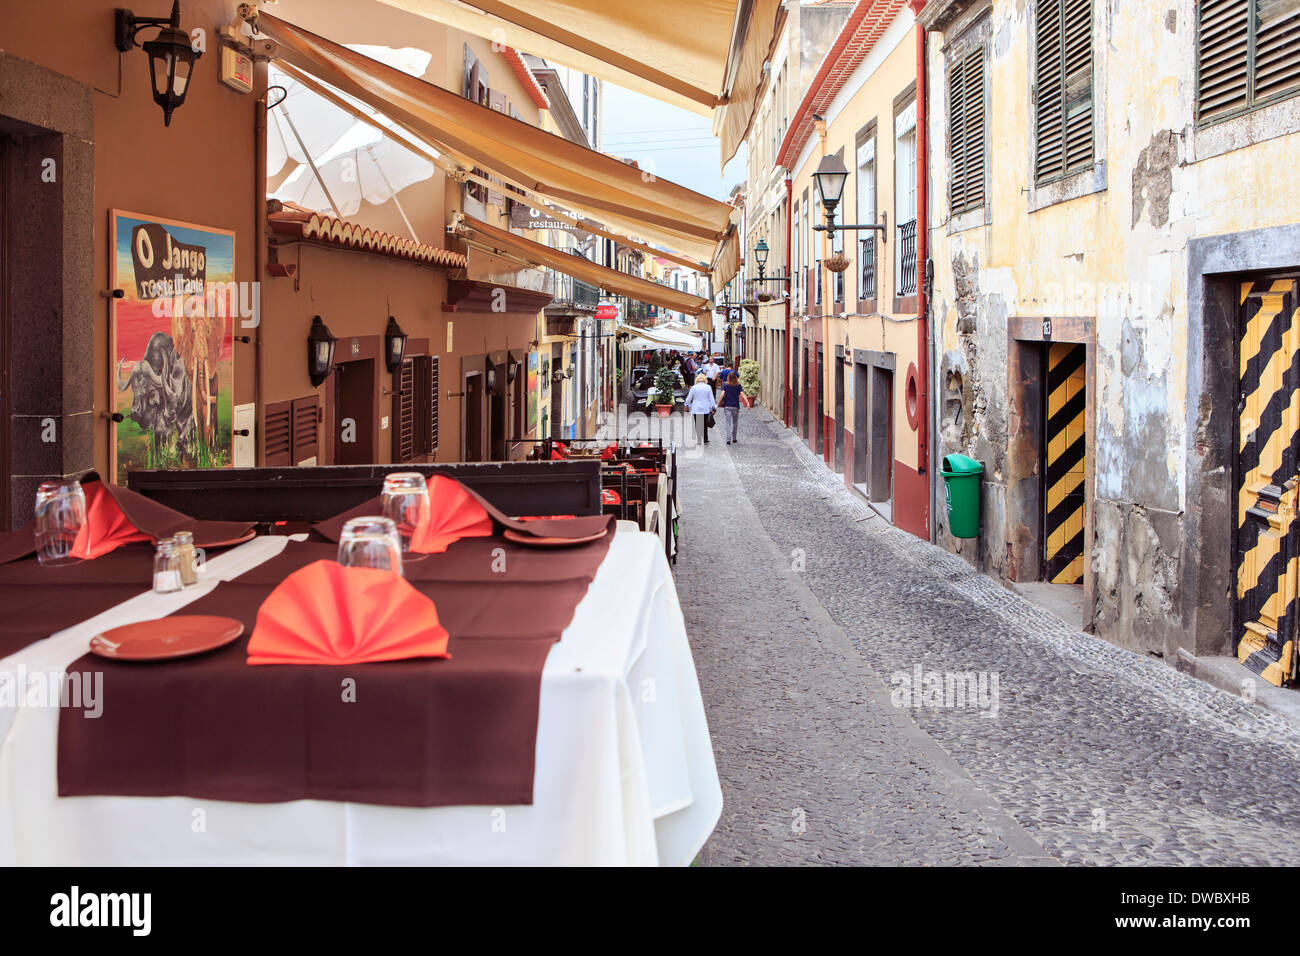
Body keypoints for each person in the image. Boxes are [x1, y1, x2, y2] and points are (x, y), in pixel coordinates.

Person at [684, 372, 717, 445]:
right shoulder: (708, 387)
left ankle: (699, 439)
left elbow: (689, 398)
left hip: (696, 408)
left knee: (698, 424)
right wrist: (714, 408)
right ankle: (705, 439)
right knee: (705, 424)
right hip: (705, 408)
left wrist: (687, 404)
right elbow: (711, 399)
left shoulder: (694, 387)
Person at [719, 371, 743, 444]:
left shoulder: (725, 385)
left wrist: (718, 402)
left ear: (728, 377)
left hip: (727, 406)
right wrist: (747, 403)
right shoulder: (738, 385)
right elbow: (743, 394)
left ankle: (728, 439)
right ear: (736, 377)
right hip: (736, 406)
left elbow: (722, 394)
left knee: (728, 423)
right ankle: (734, 438)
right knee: (735, 423)